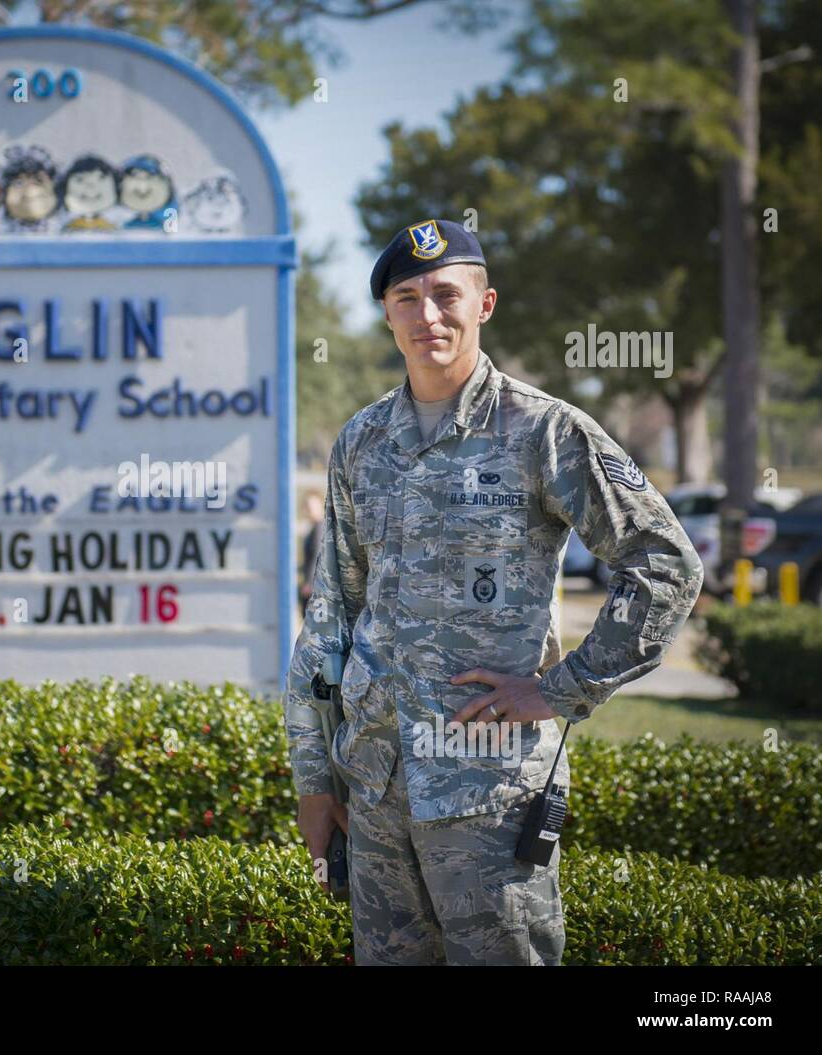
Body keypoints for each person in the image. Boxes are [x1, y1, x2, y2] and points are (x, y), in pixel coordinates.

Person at [285, 218, 703, 965]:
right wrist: (316, 780)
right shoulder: (361, 442)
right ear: (387, 315)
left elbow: (666, 563)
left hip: (490, 795)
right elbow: (332, 614)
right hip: (377, 794)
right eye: (407, 298)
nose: (427, 314)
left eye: (446, 294)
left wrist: (562, 687)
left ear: (485, 304)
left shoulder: (543, 431)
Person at [299, 489, 325, 617]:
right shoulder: (314, 528)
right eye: (307, 506)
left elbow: (317, 556)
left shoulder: (320, 528)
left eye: (312, 505)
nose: (309, 509)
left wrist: (309, 583)